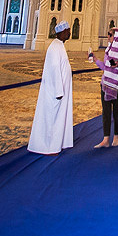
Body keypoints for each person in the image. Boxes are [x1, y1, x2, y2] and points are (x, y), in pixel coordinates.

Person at [27, 20, 75, 155]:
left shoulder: (59, 46)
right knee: (52, 119)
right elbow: (54, 70)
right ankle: (48, 147)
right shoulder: (54, 48)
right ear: (61, 32)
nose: (69, 33)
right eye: (67, 31)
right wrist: (59, 91)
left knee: (58, 118)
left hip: (60, 91)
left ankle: (58, 143)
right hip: (55, 92)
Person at [88, 27, 118, 148]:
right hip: (105, 84)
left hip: (117, 84)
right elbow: (105, 67)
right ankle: (106, 138)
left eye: (110, 35)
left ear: (116, 36)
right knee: (106, 112)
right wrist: (95, 59)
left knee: (116, 111)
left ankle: (116, 136)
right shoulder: (108, 50)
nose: (108, 37)